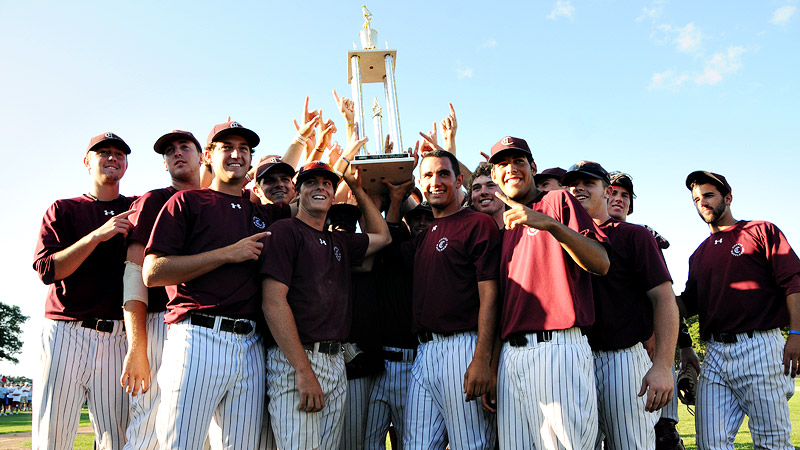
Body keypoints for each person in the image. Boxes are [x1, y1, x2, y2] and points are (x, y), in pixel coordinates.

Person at [143, 120, 289, 450]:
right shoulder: (187, 202)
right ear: (209, 155)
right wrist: (227, 254)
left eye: (244, 149)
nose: (236, 154)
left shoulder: (263, 214)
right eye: (226, 147)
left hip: (250, 344)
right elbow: (153, 272)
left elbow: (315, 200)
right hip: (198, 335)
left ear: (252, 161)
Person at [261, 151, 391, 450]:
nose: (320, 187)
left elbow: (382, 236)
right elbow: (273, 303)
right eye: (311, 182)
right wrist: (304, 371)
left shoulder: (339, 242)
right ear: (298, 190)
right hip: (297, 360)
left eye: (327, 183)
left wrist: (356, 188)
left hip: (335, 361)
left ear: (333, 193)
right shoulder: (285, 231)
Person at [488, 136, 609, 449]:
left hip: (557, 348)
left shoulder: (557, 201)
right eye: (502, 164)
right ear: (494, 177)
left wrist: (550, 225)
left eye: (518, 161)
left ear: (533, 168)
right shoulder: (504, 226)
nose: (511, 168)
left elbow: (601, 262)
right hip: (511, 356)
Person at [563, 161, 679, 450]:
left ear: (606, 191)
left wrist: (664, 365)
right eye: (574, 184)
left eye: (589, 183)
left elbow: (664, 299)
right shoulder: (562, 236)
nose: (579, 189)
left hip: (622, 360)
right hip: (574, 358)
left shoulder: (634, 235)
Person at [680, 170, 800, 450]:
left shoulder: (760, 230)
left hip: (759, 345)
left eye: (709, 195)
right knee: (710, 443)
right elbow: (687, 304)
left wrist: (796, 332)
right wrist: (651, 291)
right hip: (715, 354)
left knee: (772, 443)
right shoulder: (698, 254)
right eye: (697, 199)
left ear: (728, 198)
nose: (703, 202)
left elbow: (794, 282)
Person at [32, 132, 135, 450]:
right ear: (87, 162)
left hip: (118, 334)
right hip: (66, 330)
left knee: (117, 439)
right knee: (53, 435)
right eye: (103, 152)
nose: (112, 157)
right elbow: (48, 270)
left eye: (119, 153)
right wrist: (96, 236)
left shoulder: (135, 208)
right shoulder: (63, 209)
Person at [402, 150, 501, 450]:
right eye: (428, 175)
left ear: (459, 180)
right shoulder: (424, 234)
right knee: (416, 445)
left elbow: (491, 296)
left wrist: (483, 359)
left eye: (443, 174)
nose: (436, 181)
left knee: (469, 444)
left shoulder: (477, 223)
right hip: (424, 351)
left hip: (464, 347)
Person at [119, 129, 204, 450]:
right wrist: (137, 346)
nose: (177, 153)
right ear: (165, 164)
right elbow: (134, 273)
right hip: (159, 321)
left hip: (206, 327)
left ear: (203, 156)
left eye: (185, 147)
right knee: (149, 426)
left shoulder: (215, 200)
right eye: (169, 151)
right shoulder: (154, 200)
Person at [607, 171, 697, 450]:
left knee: (662, 432)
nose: (619, 199)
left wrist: (683, 346)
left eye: (625, 195)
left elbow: (665, 298)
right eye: (613, 192)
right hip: (594, 350)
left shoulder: (642, 237)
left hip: (644, 349)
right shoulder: (578, 235)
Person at [468, 162, 504, 229]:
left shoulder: (521, 229)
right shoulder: (467, 236)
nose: (483, 192)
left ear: (505, 192)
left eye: (491, 185)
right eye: (476, 188)